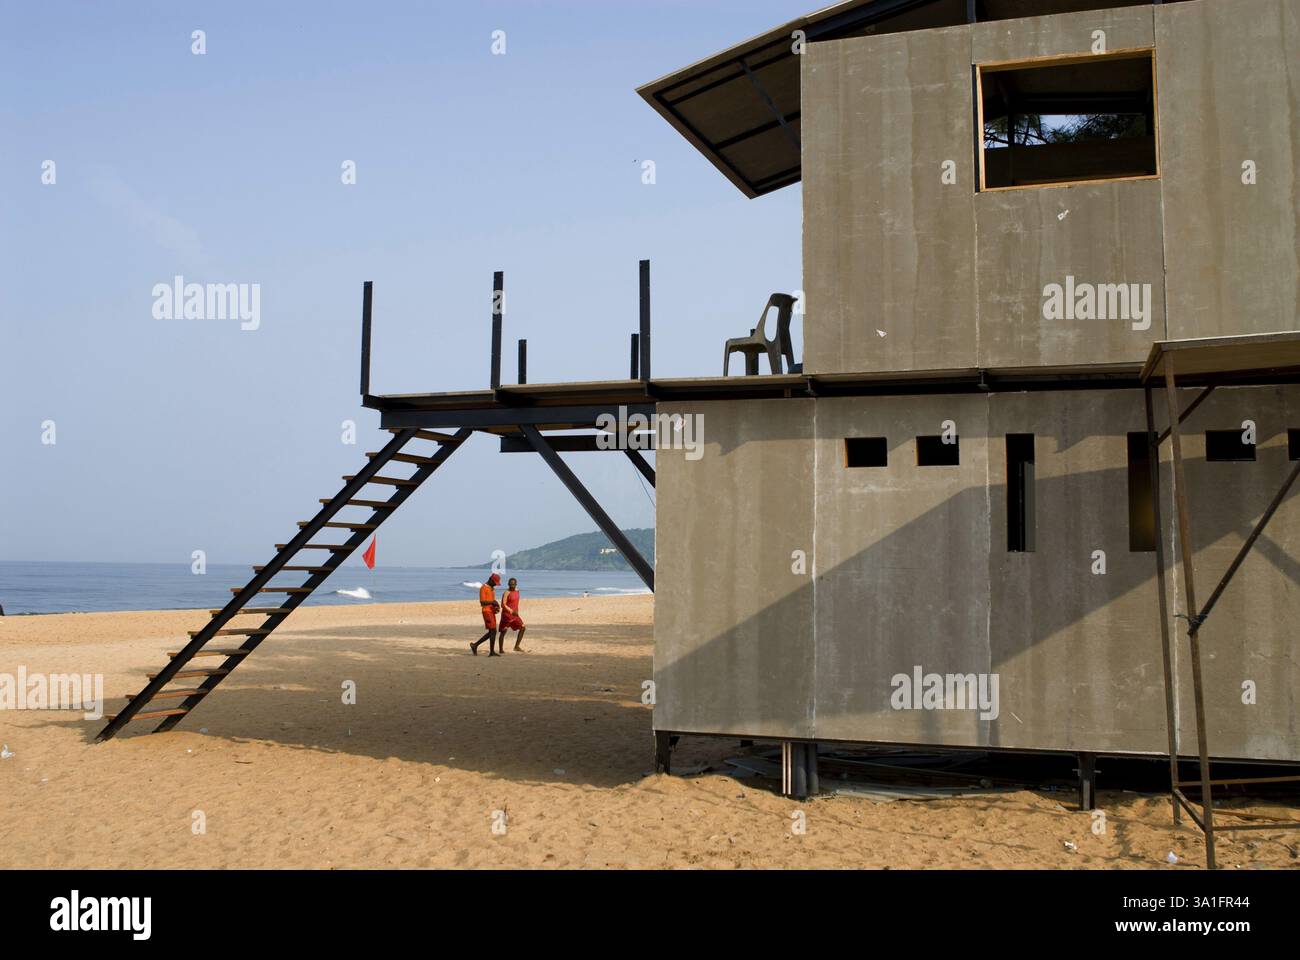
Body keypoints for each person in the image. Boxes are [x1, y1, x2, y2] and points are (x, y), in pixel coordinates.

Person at [471, 573, 501, 656]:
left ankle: (476, 645)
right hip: (486, 611)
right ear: (490, 580)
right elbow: (482, 602)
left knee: (492, 631)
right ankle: (488, 650)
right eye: (495, 583)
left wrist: (496, 607)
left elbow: (491, 601)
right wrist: (493, 602)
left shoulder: (492, 588)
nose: (495, 584)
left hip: (491, 611)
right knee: (493, 631)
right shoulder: (483, 588)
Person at [497, 577, 526, 652]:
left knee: (523, 628)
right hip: (507, 615)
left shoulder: (517, 591)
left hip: (515, 615)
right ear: (508, 584)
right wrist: (511, 611)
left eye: (513, 584)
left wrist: (515, 611)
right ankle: (501, 650)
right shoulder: (506, 593)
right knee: (504, 631)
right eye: (510, 584)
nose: (512, 586)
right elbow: (503, 605)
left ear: (516, 584)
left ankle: (516, 647)